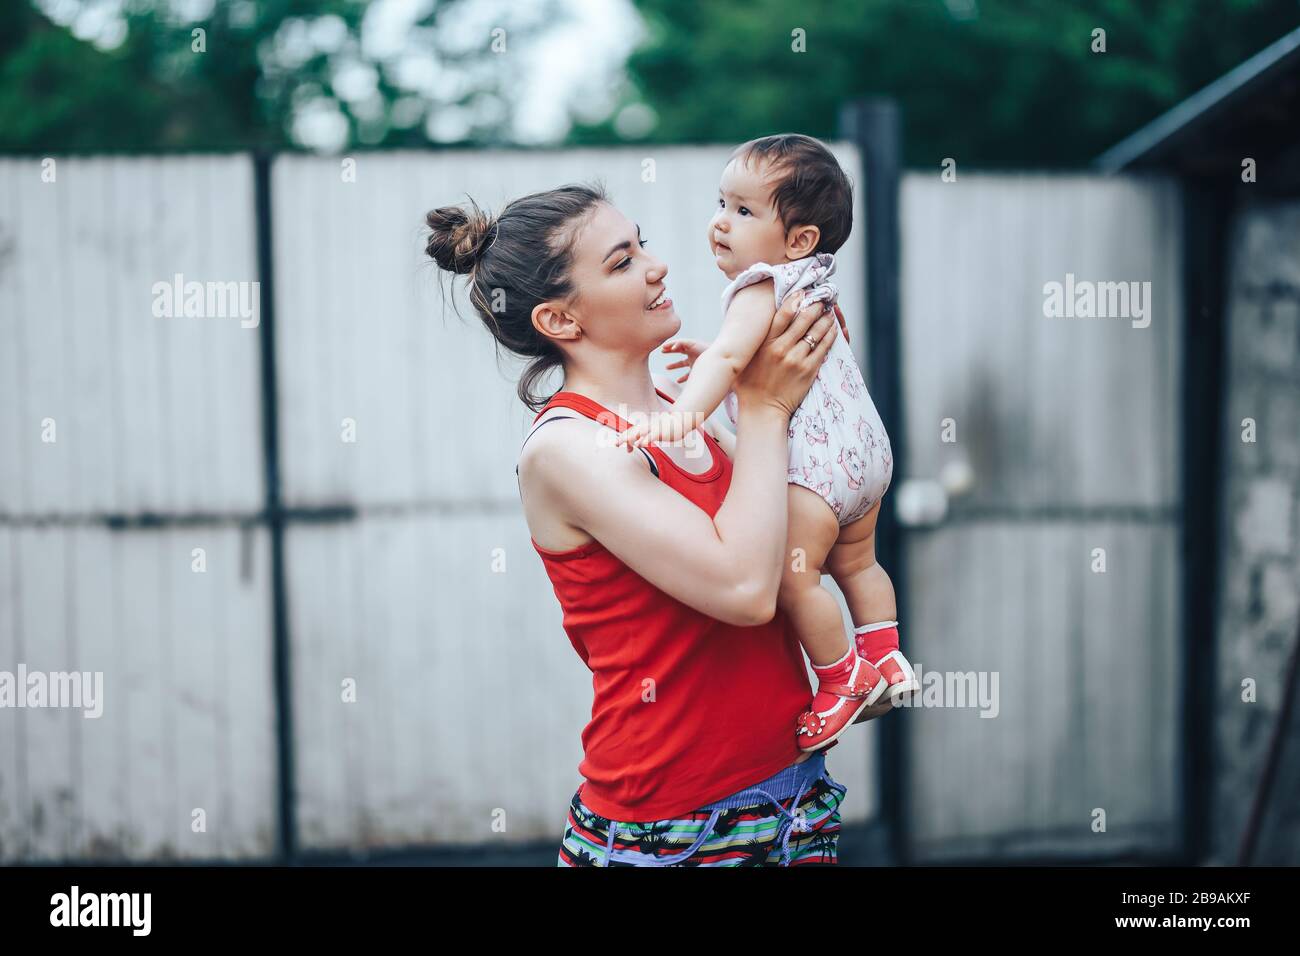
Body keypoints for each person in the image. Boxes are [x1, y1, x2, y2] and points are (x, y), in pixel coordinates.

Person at [425, 181, 887, 866]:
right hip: (672, 833)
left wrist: (822, 386)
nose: (656, 265)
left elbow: (797, 535)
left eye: (642, 243)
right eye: (620, 262)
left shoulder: (687, 404)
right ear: (560, 322)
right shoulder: (570, 448)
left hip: (793, 798)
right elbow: (745, 591)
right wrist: (762, 407)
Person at [614, 134, 917, 753]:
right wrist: (720, 363)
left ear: (799, 239)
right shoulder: (817, 282)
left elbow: (732, 354)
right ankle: (885, 654)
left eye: (744, 212)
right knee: (857, 563)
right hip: (866, 456)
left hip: (815, 474)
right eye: (721, 203)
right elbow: (778, 363)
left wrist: (684, 414)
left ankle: (840, 680)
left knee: (792, 577)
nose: (720, 224)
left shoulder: (759, 284)